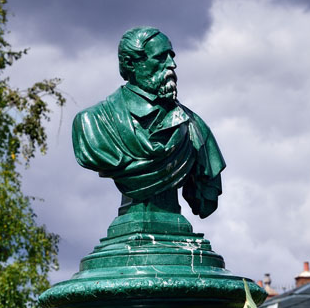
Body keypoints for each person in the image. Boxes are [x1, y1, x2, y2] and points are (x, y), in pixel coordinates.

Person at [72, 27, 225, 219]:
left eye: (171, 56)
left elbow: (205, 201)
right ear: (131, 64)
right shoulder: (92, 121)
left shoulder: (195, 126)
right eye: (161, 57)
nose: (172, 64)